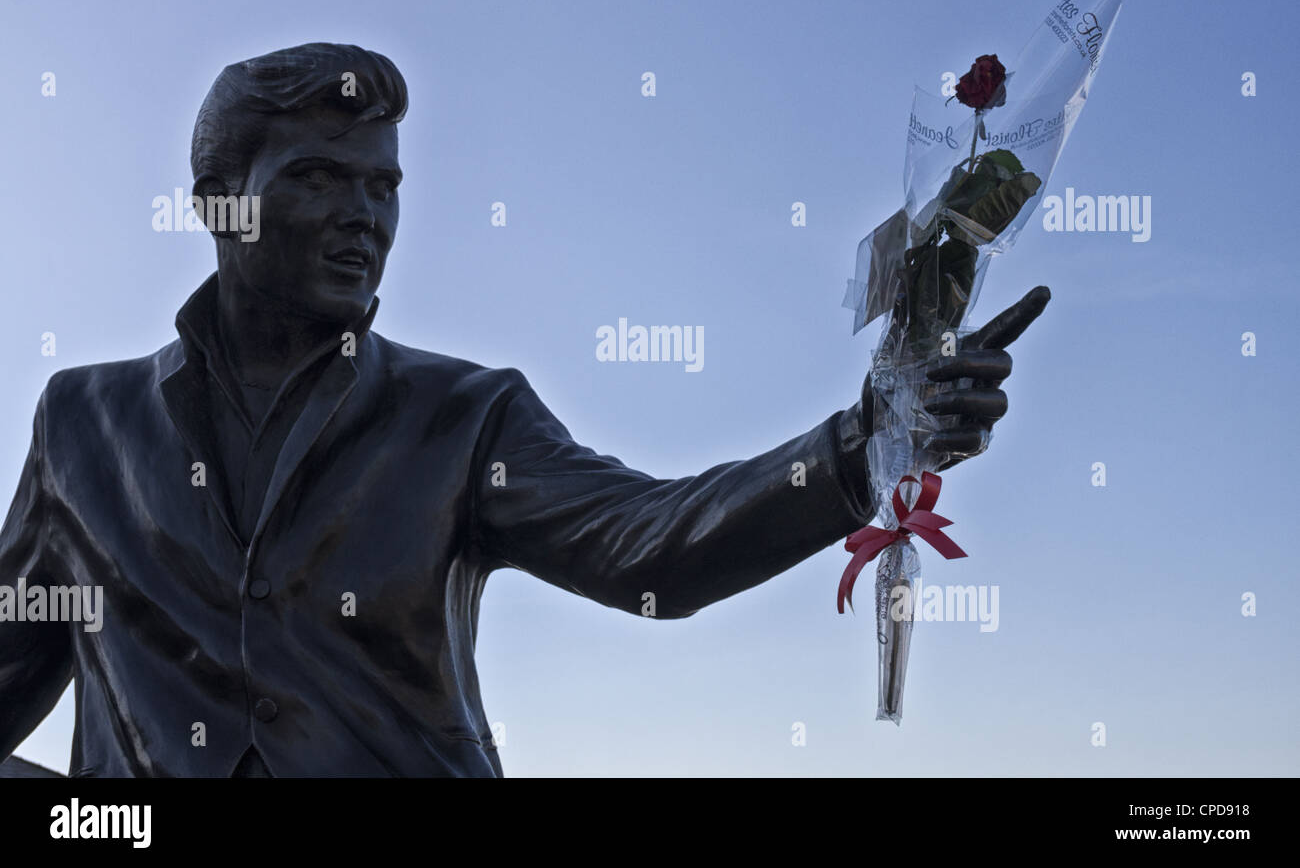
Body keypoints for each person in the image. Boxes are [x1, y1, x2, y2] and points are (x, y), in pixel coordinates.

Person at [0, 43, 1048, 777]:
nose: (365, 216)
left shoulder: (465, 416)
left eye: (384, 186)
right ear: (218, 203)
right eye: (321, 178)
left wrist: (862, 444)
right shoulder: (81, 425)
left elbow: (650, 551)